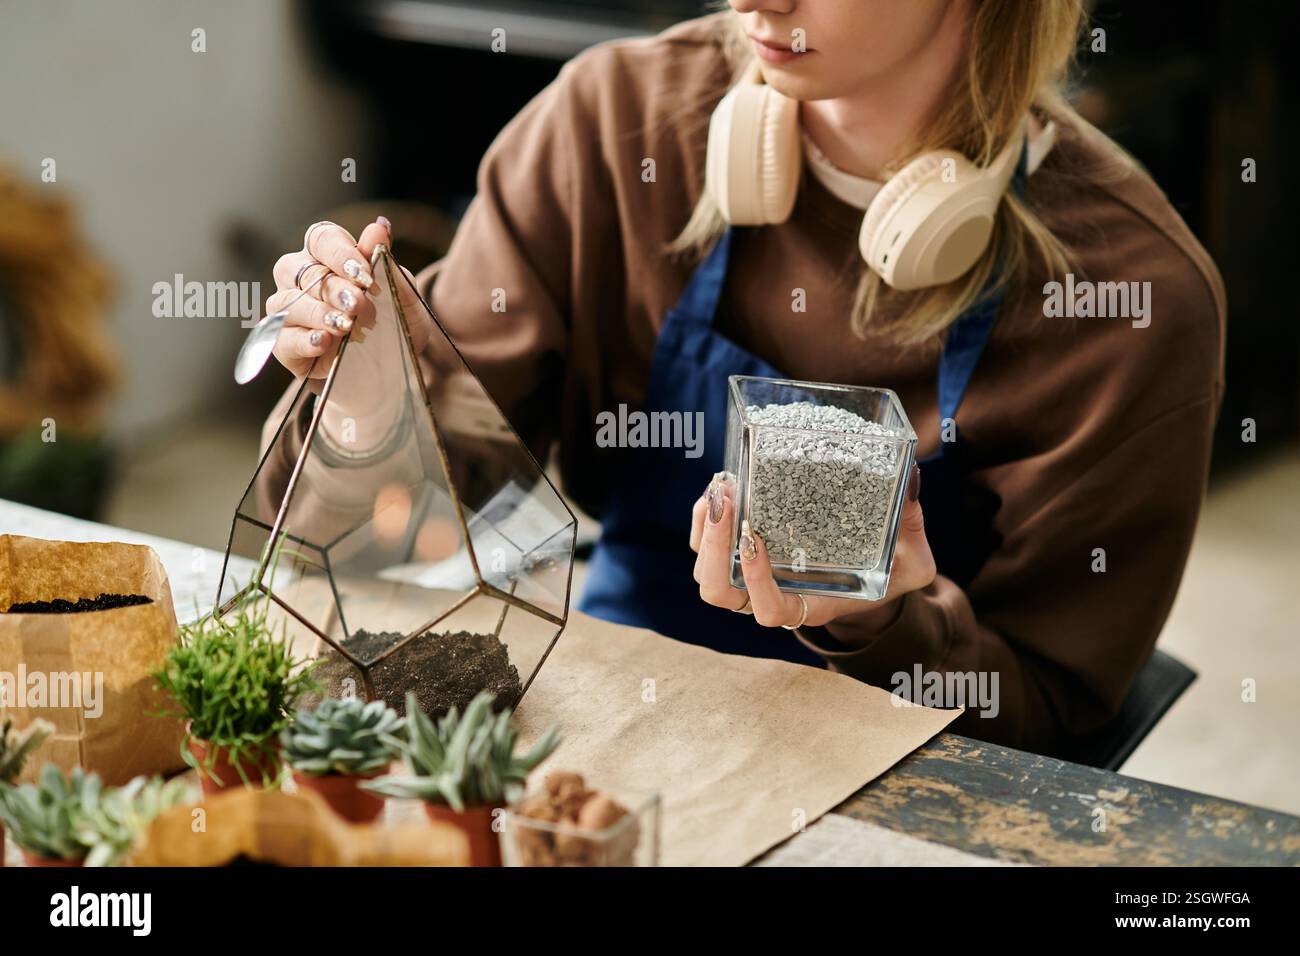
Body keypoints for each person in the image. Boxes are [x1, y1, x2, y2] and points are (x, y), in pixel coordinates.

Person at [258, 0, 1224, 755]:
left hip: (901, 777)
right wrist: (366, 407)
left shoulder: (1130, 297)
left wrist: (883, 626)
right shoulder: (613, 127)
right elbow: (360, 531)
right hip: (614, 713)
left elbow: (1050, 717)